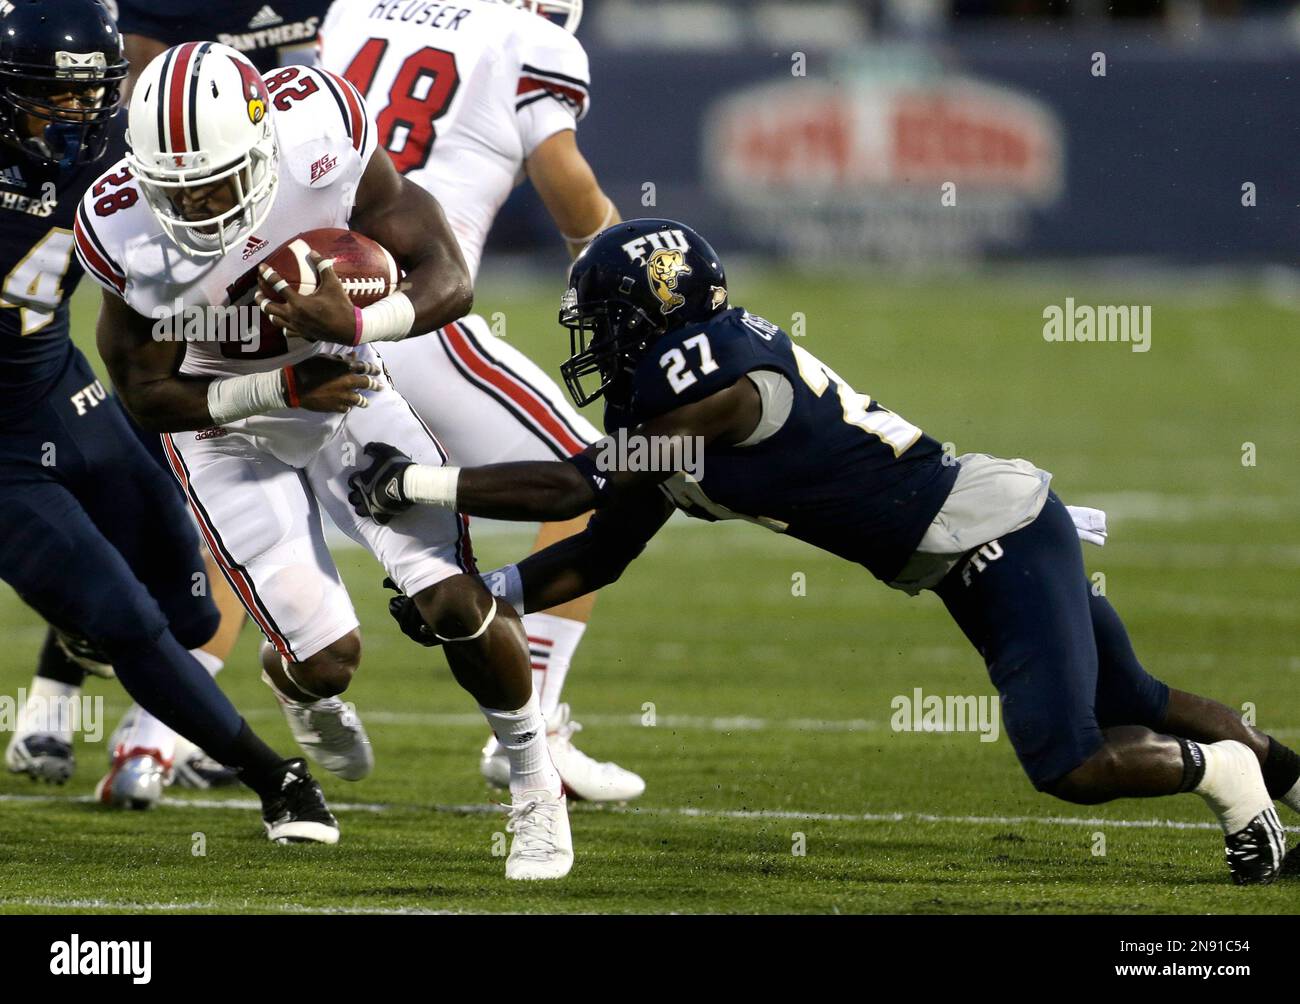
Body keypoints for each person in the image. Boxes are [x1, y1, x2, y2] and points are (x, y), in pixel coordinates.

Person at [351, 218, 1300, 885]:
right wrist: (492, 592)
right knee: (1132, 699)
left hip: (992, 537)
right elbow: (601, 549)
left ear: (655, 312)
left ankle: (1230, 777)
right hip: (968, 540)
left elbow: (574, 486)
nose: (595, 339)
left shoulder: (713, 389)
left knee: (1070, 760)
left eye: (604, 318)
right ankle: (1288, 779)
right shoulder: (676, 404)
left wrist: (413, 487)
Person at [78, 41, 572, 878]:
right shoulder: (121, 221)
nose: (196, 203)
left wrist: (352, 331)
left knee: (452, 598)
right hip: (225, 426)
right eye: (177, 186)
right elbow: (144, 393)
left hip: (343, 379)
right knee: (325, 661)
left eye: (214, 177)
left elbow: (445, 274)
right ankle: (300, 689)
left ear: (265, 139)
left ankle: (535, 786)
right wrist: (277, 392)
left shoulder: (321, 128)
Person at [0, 0, 336, 842]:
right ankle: (276, 778)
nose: (75, 118)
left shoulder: (120, 151)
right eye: (50, 98)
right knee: (126, 617)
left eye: (90, 98)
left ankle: (75, 648)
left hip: (58, 388)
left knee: (187, 606)